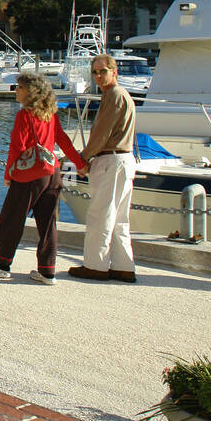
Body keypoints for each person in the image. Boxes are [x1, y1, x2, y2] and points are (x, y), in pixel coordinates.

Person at [0, 72, 87, 285]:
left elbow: (17, 148)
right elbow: (63, 141)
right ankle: (47, 271)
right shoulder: (50, 114)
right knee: (47, 224)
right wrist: (80, 164)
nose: (16, 90)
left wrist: (9, 174)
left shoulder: (24, 116)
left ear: (31, 92)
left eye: (19, 87)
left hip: (30, 176)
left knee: (11, 220)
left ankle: (1, 265)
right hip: (52, 174)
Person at [70, 55, 138, 283]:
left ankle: (96, 266)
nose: (98, 76)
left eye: (103, 71)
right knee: (119, 217)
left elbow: (101, 135)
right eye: (95, 72)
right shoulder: (122, 95)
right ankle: (123, 266)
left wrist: (83, 159)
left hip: (111, 161)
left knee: (101, 214)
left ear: (114, 71)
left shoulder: (114, 96)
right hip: (124, 160)